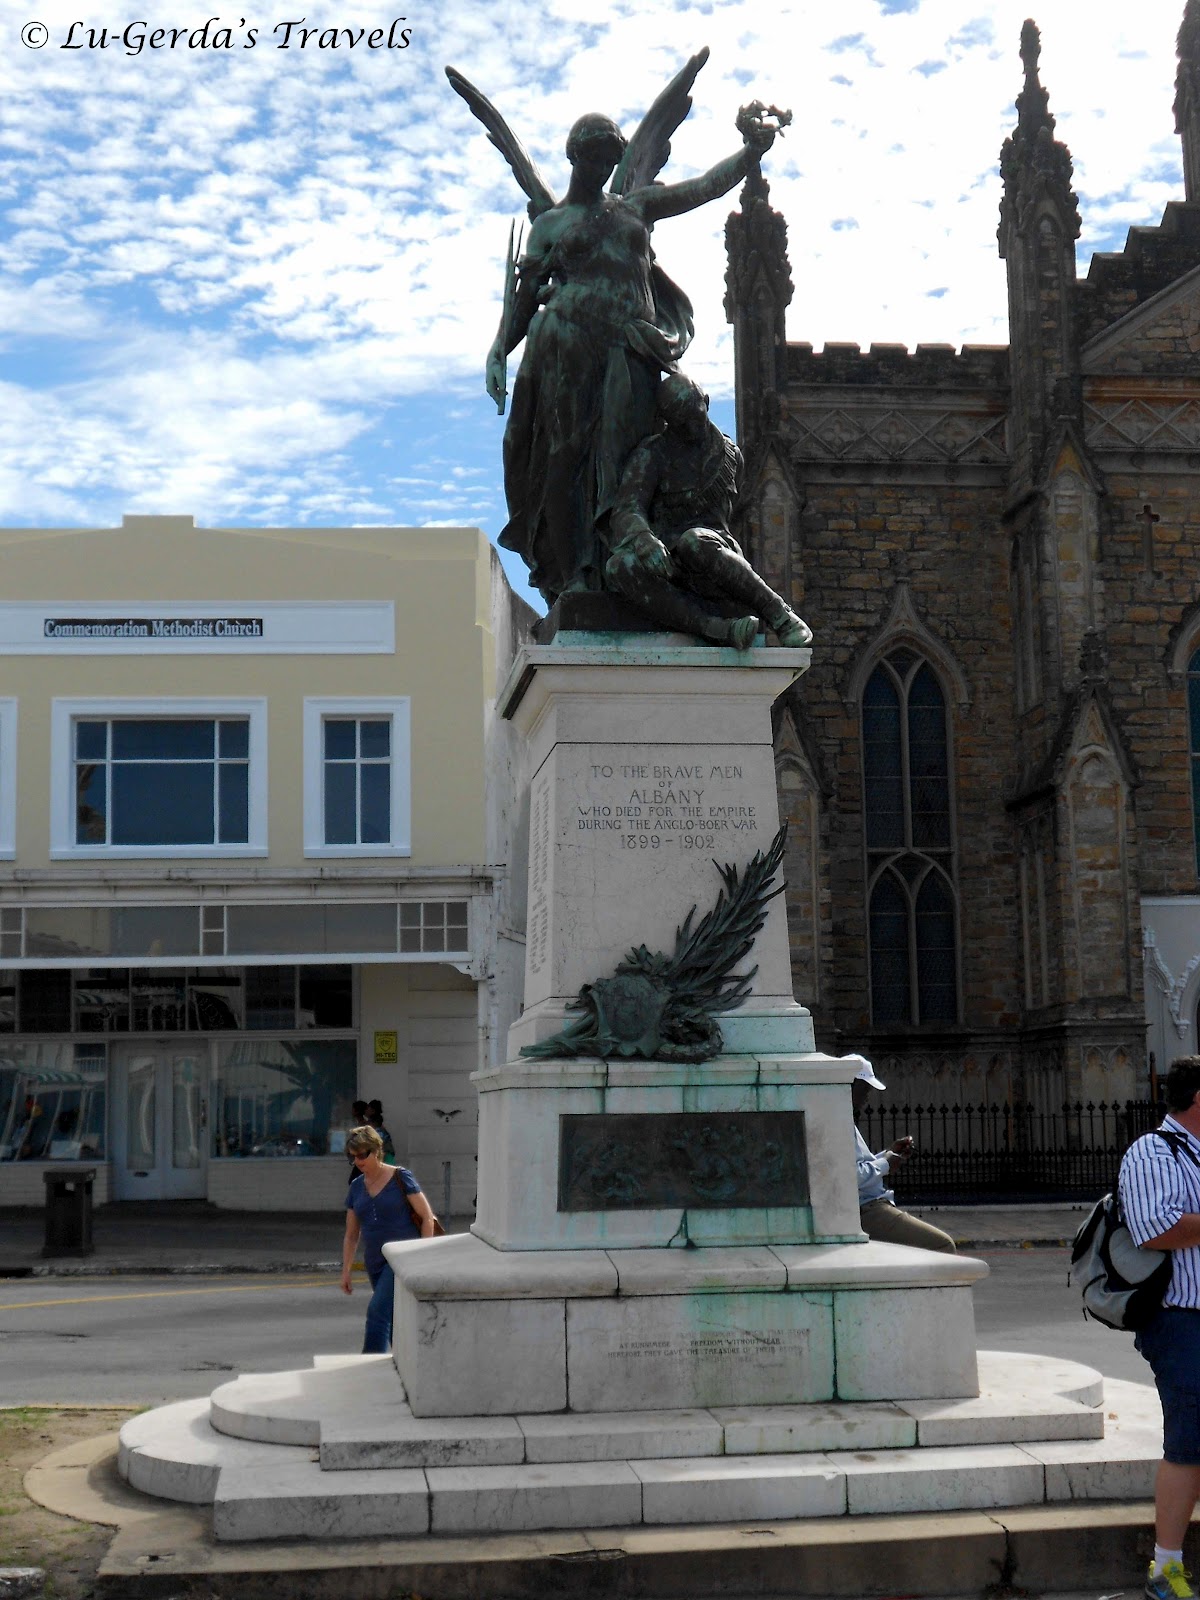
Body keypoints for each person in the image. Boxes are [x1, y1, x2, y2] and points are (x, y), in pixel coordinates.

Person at [489, 111, 779, 605]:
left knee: (629, 459)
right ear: (575, 156)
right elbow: (524, 300)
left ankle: (637, 563)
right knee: (563, 459)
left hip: (631, 349)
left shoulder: (635, 206)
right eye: (595, 156)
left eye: (610, 156)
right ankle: (577, 575)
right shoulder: (551, 225)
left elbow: (704, 187)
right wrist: (500, 350)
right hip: (566, 346)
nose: (603, 165)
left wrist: (751, 152)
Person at [606, 372, 812, 648]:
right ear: (668, 422)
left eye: (696, 417)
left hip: (712, 554)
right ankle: (718, 629)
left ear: (706, 401)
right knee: (619, 566)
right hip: (668, 560)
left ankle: (781, 615)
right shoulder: (652, 455)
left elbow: (727, 518)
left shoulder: (730, 454)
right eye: (682, 423)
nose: (692, 429)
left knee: (695, 541)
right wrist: (644, 540)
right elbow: (628, 508)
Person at [1118, 1055, 1200, 1600]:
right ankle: (1165, 1568)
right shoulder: (1152, 1151)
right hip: (1181, 1319)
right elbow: (1156, 1227)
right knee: (1188, 1443)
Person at [341, 1125, 438, 1354]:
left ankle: (368, 1366)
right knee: (394, 1317)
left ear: (376, 1151)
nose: (358, 1161)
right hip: (375, 1261)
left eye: (362, 1155)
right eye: (352, 1157)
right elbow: (351, 1234)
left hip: (402, 1258)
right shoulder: (356, 1188)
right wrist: (346, 1270)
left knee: (377, 1312)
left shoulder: (399, 1177)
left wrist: (422, 1256)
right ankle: (404, 1365)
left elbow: (426, 1218)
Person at [849, 1058, 956, 1254]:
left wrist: (888, 1154)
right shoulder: (839, 1121)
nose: (868, 1095)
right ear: (849, 1085)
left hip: (871, 1204)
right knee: (943, 1245)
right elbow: (852, 1176)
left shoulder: (843, 1118)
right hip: (867, 1208)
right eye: (864, 1088)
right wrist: (886, 1163)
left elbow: (857, 1165)